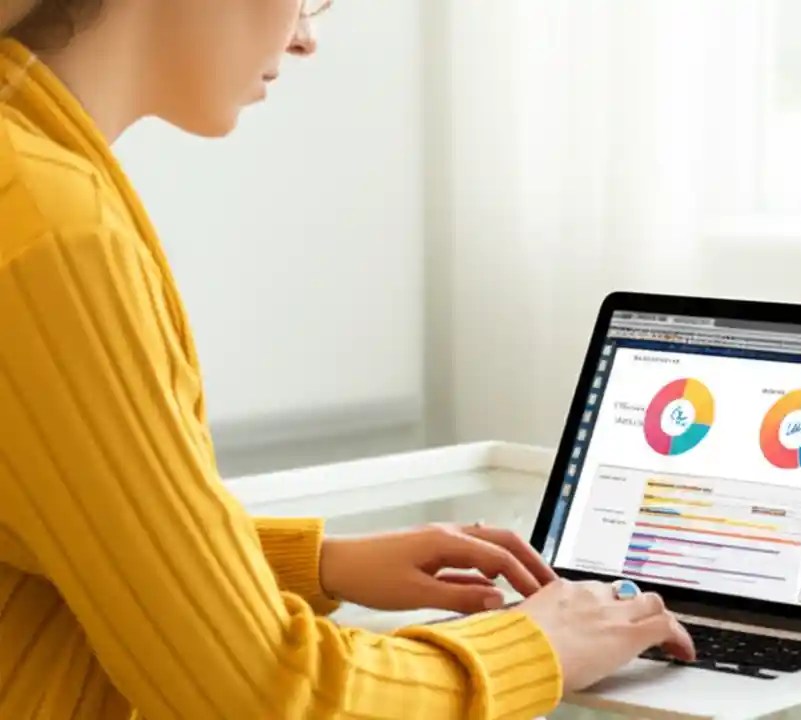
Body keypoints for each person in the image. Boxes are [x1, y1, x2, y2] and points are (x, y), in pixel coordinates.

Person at [0, 0, 695, 718]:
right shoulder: (56, 232)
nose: (305, 37)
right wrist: (539, 646)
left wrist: (318, 563)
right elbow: (263, 692)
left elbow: (55, 531)